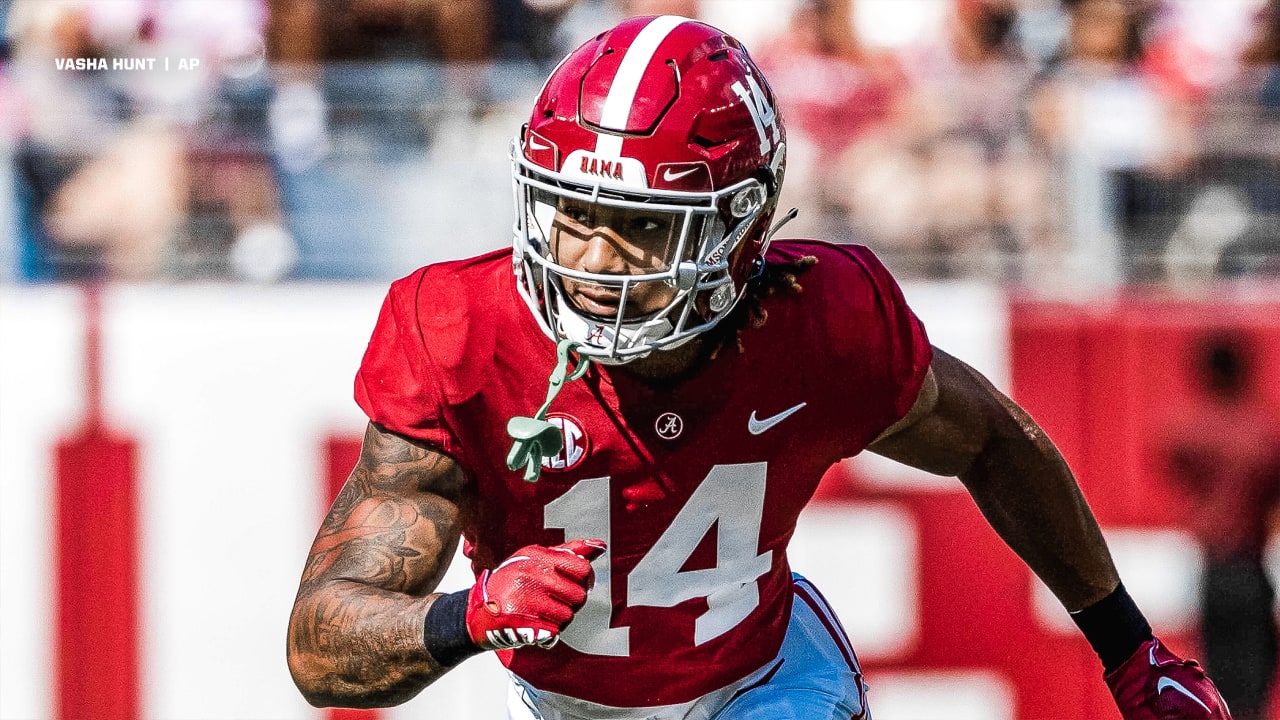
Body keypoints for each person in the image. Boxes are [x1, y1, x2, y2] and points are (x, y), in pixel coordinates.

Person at [287, 15, 1232, 720]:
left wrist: (1129, 648)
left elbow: (990, 442)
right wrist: (470, 613)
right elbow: (323, 641)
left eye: (643, 226)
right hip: (561, 707)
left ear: (738, 229)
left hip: (762, 682)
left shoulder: (818, 320)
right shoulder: (459, 329)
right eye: (573, 213)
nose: (593, 259)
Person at [1157, 332, 1280, 720]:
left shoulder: (1191, 430)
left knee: (1214, 692)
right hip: (1250, 568)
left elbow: (1173, 457)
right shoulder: (1262, 433)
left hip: (1211, 570)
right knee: (1252, 692)